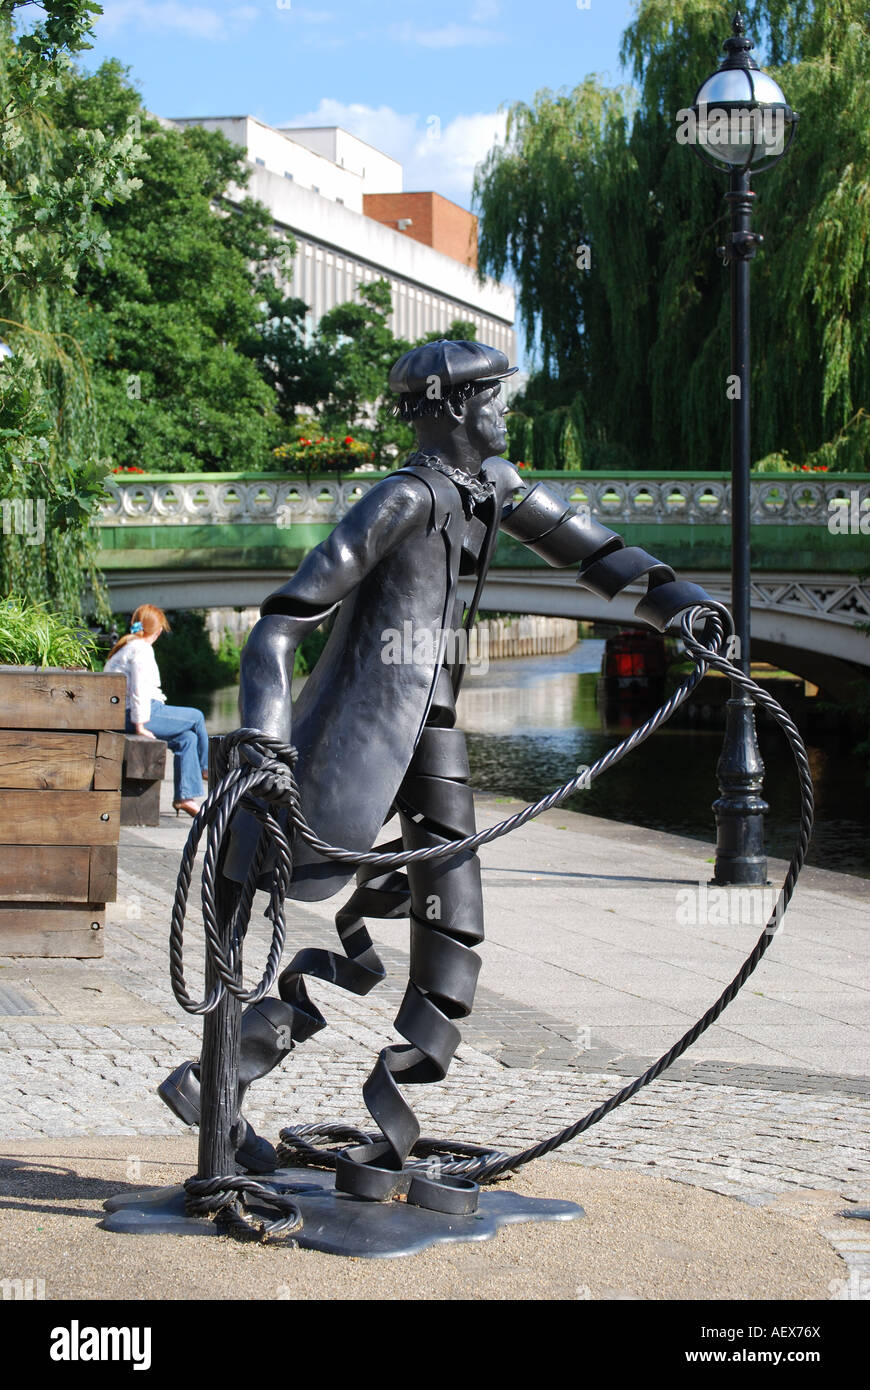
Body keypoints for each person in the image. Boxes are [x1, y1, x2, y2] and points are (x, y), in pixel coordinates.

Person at [159, 340, 723, 1198]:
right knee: (281, 916)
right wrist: (269, 746)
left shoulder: (492, 484)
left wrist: (681, 604)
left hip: (437, 733)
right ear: (453, 406)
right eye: (494, 397)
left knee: (454, 931)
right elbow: (279, 625)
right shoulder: (403, 499)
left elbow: (596, 554)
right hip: (361, 735)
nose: (506, 411)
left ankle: (367, 1134)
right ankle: (219, 1082)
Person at [104, 604, 208, 817]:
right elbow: (139, 690)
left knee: (187, 738)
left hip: (128, 712)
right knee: (196, 717)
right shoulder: (141, 649)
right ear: (159, 630)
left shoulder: (128, 646)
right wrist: (140, 725)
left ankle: (185, 797)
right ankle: (207, 769)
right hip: (136, 714)